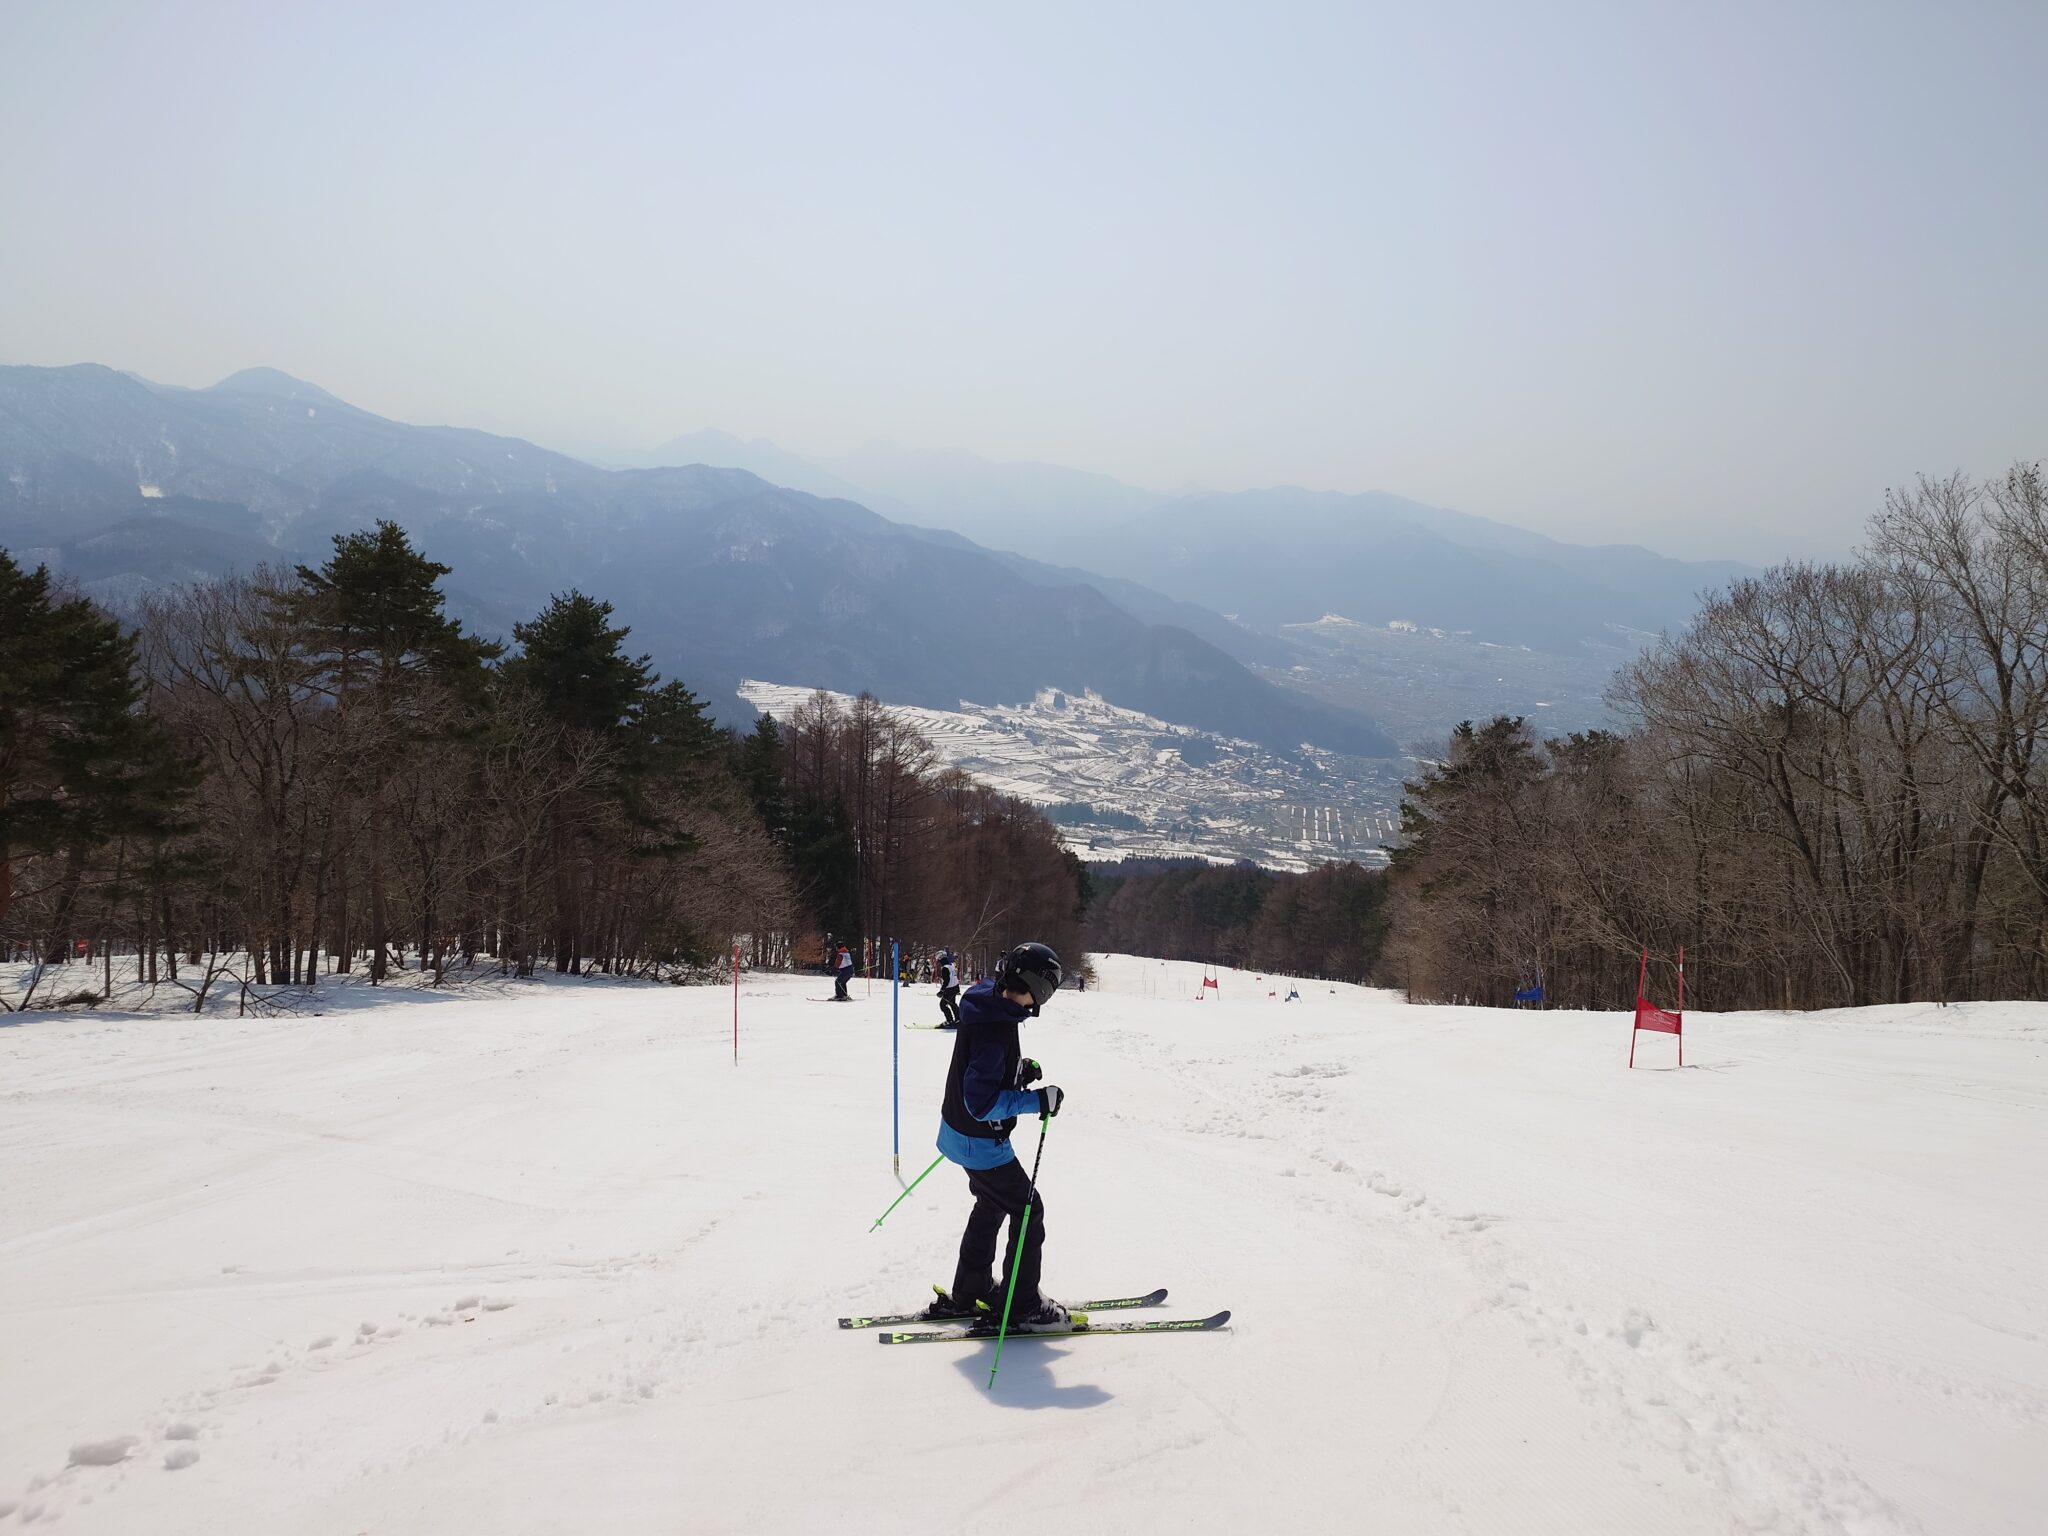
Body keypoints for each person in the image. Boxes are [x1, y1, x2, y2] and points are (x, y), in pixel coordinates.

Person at [919, 941, 1067, 1327]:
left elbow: (982, 1069)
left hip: (957, 1133)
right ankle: (1021, 1306)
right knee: (1028, 1208)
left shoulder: (985, 998)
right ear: (1038, 986)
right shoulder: (996, 1028)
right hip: (980, 1141)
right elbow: (982, 1104)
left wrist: (1017, 1070)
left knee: (992, 1203)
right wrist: (1036, 1101)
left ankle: (972, 1291)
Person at [936, 948, 962, 1029]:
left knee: (943, 1005)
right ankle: (958, 1020)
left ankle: (950, 1021)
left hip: (950, 989)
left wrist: (942, 991)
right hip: (955, 988)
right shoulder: (951, 966)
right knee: (952, 1003)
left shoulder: (945, 968)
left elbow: (946, 981)